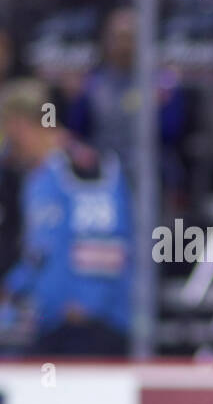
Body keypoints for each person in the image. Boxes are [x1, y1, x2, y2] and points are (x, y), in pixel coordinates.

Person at [0, 78, 133, 357]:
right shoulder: (40, 176)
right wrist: (12, 289)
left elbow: (105, 239)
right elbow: (41, 251)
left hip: (87, 329)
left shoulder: (82, 167)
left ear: (22, 125)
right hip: (51, 325)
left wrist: (87, 304)